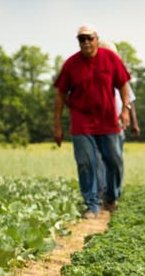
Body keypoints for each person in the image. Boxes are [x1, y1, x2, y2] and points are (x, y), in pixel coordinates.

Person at [53, 24, 132, 217]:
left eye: (90, 38)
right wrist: (57, 125)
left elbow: (123, 84)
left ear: (97, 39)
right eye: (82, 39)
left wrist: (126, 110)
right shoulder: (71, 64)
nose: (86, 42)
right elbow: (60, 95)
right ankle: (92, 204)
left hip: (108, 121)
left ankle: (111, 197)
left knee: (114, 160)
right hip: (82, 122)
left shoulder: (111, 59)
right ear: (78, 42)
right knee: (86, 163)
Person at [96, 40, 140, 207]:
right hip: (96, 127)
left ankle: (112, 195)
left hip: (117, 126)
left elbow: (130, 102)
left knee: (115, 161)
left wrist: (134, 123)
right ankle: (100, 196)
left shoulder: (121, 78)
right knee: (98, 161)